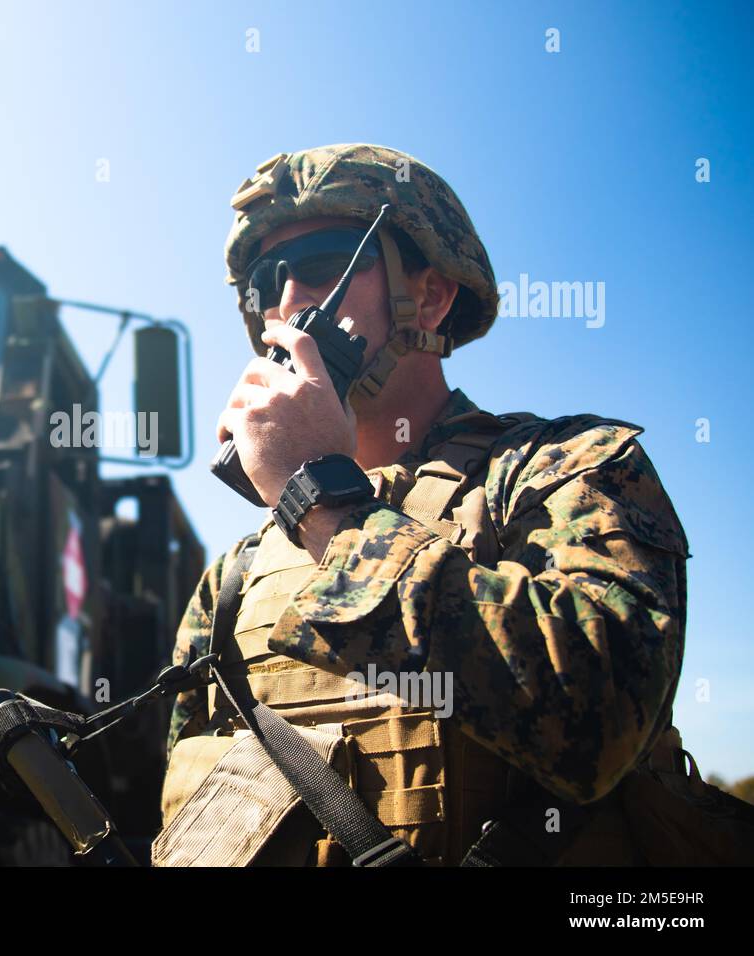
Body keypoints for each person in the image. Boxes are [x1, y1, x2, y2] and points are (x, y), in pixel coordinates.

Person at [153, 144, 690, 867]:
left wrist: (322, 500)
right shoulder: (239, 576)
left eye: (317, 265)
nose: (283, 304)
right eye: (263, 282)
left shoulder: (563, 472)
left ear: (429, 297)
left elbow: (605, 717)